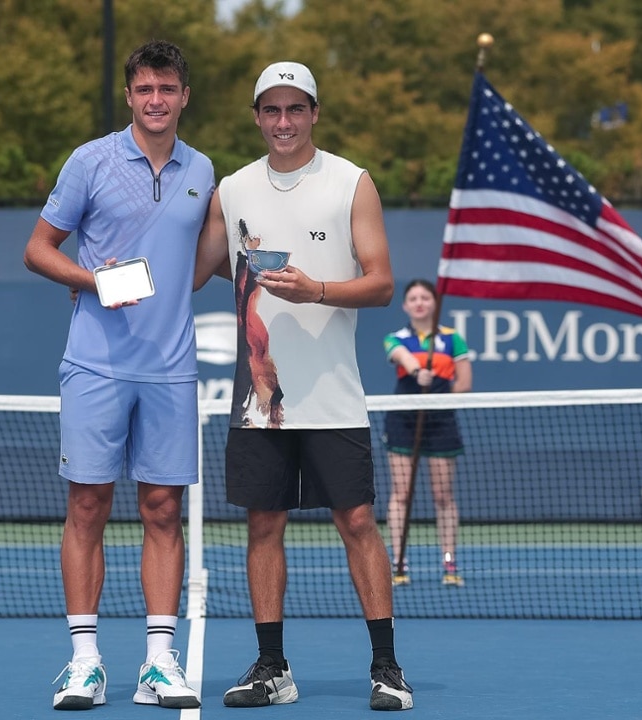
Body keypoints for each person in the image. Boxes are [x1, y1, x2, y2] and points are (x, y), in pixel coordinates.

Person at [194, 61, 414, 711]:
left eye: (295, 109)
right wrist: (103, 278)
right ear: (258, 116)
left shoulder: (352, 183)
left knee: (357, 523)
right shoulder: (231, 189)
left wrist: (315, 288)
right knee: (264, 526)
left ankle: (387, 667)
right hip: (260, 401)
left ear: (314, 112)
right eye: (271, 110)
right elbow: (195, 267)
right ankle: (272, 668)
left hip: (335, 395)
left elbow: (381, 283)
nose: (283, 122)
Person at [22, 39, 212, 711]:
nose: (155, 100)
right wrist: (94, 281)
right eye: (144, 90)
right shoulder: (90, 161)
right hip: (96, 364)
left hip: (169, 371)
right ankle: (84, 663)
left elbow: (209, 258)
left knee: (162, 509)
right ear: (130, 96)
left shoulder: (204, 171)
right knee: (87, 506)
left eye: (167, 89)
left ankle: (159, 664)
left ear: (184, 97)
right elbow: (38, 250)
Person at [382, 279, 473, 587]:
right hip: (403, 421)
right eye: (413, 298)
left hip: (440, 422)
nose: (420, 302)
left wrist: (440, 401)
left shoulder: (451, 339)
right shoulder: (396, 338)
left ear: (434, 303)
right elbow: (398, 355)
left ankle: (449, 563)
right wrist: (416, 371)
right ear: (406, 306)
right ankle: (399, 561)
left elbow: (464, 383)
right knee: (402, 493)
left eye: (425, 297)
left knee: (443, 495)